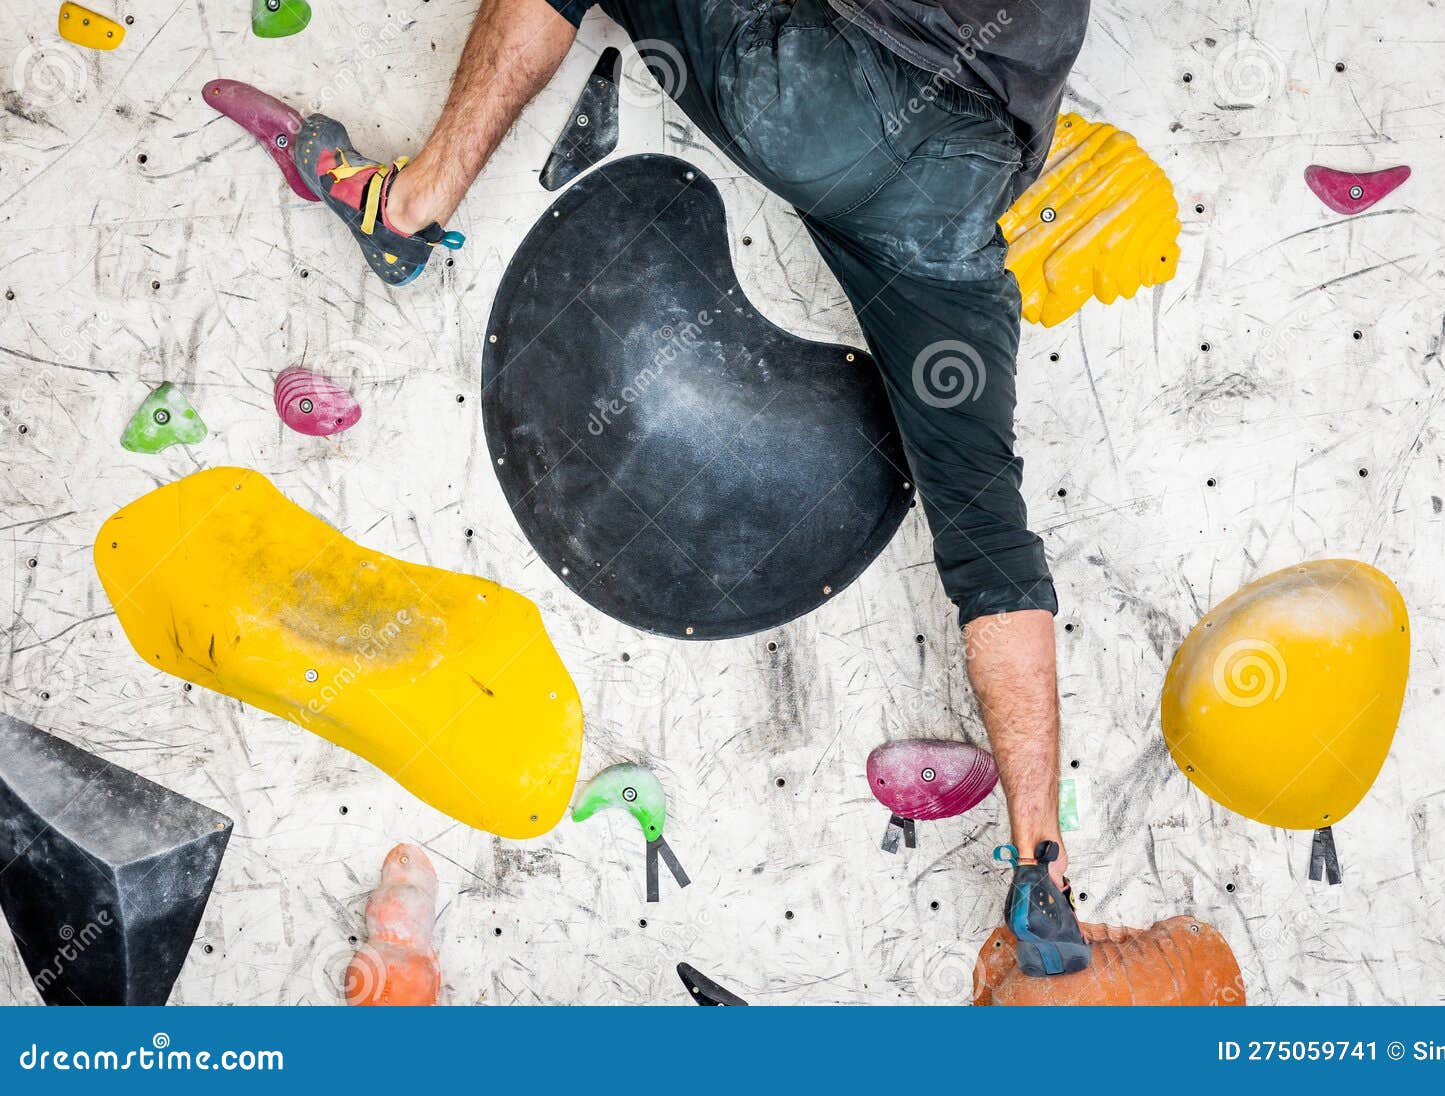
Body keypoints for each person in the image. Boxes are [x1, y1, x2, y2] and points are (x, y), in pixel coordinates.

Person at [294, 0, 1094, 976]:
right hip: (961, 179)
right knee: (983, 520)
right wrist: (1037, 855)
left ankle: (409, 209)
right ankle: (1042, 862)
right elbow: (991, 557)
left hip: (831, 95)